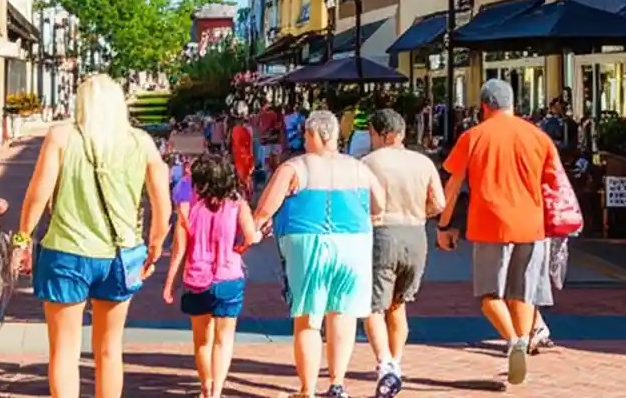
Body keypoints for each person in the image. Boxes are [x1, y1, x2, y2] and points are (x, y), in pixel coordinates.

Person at [14, 74, 172, 398]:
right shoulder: (141, 142)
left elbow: (37, 196)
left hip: (66, 251)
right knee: (110, 348)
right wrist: (155, 245)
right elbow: (162, 202)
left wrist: (22, 239)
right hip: (120, 253)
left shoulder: (61, 137)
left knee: (64, 350)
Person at [437, 79, 560, 386]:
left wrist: (444, 224)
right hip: (531, 223)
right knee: (523, 292)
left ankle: (514, 341)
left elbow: (453, 186)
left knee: (489, 294)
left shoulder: (473, 137)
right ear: (512, 104)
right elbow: (553, 184)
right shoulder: (538, 137)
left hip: (489, 222)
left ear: (484, 107)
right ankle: (523, 340)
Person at [254, 110, 385, 398]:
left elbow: (265, 208)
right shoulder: (359, 168)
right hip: (353, 243)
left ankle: (308, 389)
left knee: (308, 317)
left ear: (315, 134)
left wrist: (252, 229)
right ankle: (337, 384)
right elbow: (379, 205)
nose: (303, 139)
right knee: (342, 314)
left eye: (305, 134)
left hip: (308, 242)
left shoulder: (295, 167)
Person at [361, 109, 445, 397]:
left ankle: (385, 364)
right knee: (398, 304)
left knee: (373, 306)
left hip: (382, 233)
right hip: (416, 233)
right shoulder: (423, 162)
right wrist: (421, 212)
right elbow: (439, 203)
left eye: (372, 134)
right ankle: (395, 361)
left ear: (382, 134)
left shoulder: (369, 163)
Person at [163, 156, 262, 398]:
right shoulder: (237, 204)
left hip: (197, 280)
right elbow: (250, 236)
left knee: (202, 341)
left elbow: (178, 250)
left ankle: (205, 386)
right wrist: (252, 239)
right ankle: (216, 391)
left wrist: (170, 283)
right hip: (229, 278)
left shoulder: (186, 209)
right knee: (223, 340)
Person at [230, 118, 255, 200]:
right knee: (246, 177)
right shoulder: (247, 130)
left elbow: (233, 144)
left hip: (240, 158)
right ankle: (248, 196)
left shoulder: (235, 130)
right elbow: (250, 145)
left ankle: (244, 196)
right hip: (246, 157)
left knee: (242, 178)